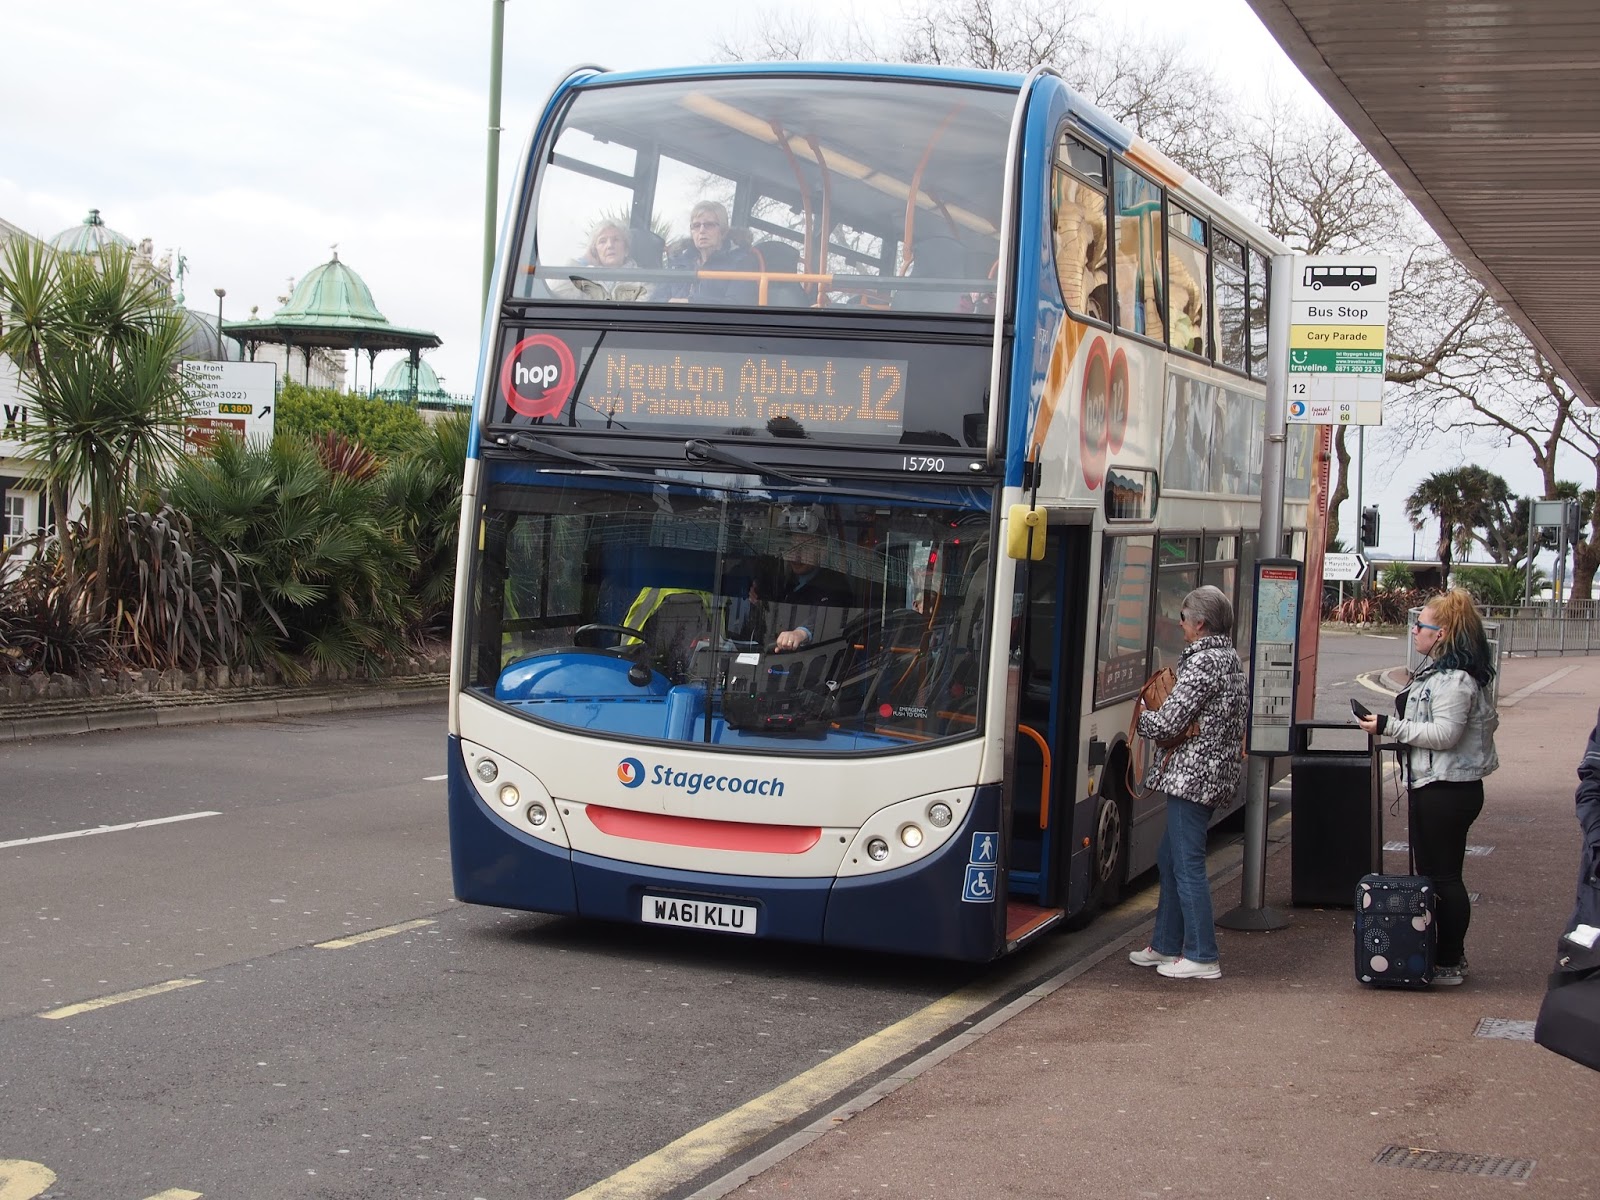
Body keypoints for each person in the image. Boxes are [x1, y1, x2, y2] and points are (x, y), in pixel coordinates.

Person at [1356, 589, 1499, 986]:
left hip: (1446, 790)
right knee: (1439, 877)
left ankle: (1450, 961)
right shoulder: (1444, 674)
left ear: (1443, 633)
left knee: (1444, 878)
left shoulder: (1455, 681)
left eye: (1422, 625)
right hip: (1440, 786)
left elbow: (1445, 734)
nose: (1415, 630)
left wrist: (1389, 726)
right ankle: (1445, 955)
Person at [1127, 584, 1247, 981]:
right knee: (1171, 857)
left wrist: (1141, 712)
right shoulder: (1229, 659)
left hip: (1193, 778)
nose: (1179, 625)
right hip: (1213, 775)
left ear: (1200, 623)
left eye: (1183, 618)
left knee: (1187, 863)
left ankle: (1201, 953)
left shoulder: (1203, 664)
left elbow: (1167, 722)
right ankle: (1165, 943)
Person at [656, 201, 759, 304]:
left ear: (723, 230)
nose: (701, 230)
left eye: (709, 225)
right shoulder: (679, 263)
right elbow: (654, 300)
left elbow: (736, 305)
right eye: (696, 225)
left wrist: (689, 303)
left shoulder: (742, 262)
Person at [554, 221, 645, 300]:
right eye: (602, 241)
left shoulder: (643, 280)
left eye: (616, 240)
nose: (609, 245)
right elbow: (555, 295)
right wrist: (584, 259)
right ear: (595, 251)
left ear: (626, 250)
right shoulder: (584, 279)